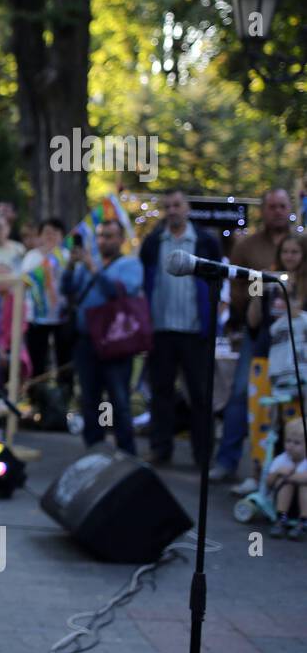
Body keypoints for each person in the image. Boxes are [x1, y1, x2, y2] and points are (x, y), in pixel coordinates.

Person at [216, 187, 294, 482]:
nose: (277, 210)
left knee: (292, 396)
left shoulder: (302, 242)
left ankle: (289, 470)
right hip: (258, 331)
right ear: (263, 209)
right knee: (240, 393)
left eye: (282, 205)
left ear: (290, 208)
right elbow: (236, 290)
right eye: (271, 205)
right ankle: (228, 461)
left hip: (295, 334)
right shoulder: (246, 246)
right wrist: (256, 294)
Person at [139, 189, 222, 466]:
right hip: (161, 330)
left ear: (187, 208)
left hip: (194, 331)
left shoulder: (205, 242)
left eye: (177, 205)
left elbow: (215, 283)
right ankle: (160, 449)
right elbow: (146, 282)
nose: (172, 210)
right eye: (168, 206)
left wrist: (211, 319)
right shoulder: (152, 243)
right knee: (160, 393)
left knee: (200, 394)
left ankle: (203, 455)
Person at [61, 219, 143, 454]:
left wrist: (92, 268)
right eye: (100, 236)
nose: (103, 241)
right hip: (87, 342)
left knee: (119, 401)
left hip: (116, 342)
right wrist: (70, 265)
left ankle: (127, 454)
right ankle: (94, 450)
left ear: (121, 240)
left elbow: (118, 292)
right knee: (89, 400)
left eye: (109, 236)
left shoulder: (130, 264)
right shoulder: (88, 264)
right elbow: (68, 289)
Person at [251, 234, 307, 399]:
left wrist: (287, 295)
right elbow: (253, 322)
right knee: (263, 414)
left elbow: (299, 319)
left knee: (295, 418)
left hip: (297, 359)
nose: (288, 256)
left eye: (294, 252)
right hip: (266, 351)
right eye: (285, 251)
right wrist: (256, 288)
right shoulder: (270, 278)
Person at [21, 218, 72, 391]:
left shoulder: (67, 256)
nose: (50, 236)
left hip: (62, 317)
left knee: (64, 361)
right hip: (36, 317)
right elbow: (24, 282)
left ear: (62, 236)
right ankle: (37, 399)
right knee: (37, 360)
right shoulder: (32, 257)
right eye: (46, 232)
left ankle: (63, 399)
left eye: (55, 232)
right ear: (40, 236)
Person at [268, 417, 307, 540]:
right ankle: (281, 520)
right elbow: (268, 483)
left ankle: (303, 522)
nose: (290, 445)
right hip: (283, 503)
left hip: (303, 504)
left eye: (297, 443)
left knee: (304, 484)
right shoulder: (281, 460)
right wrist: (277, 472)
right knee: (284, 483)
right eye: (288, 441)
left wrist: (291, 475)